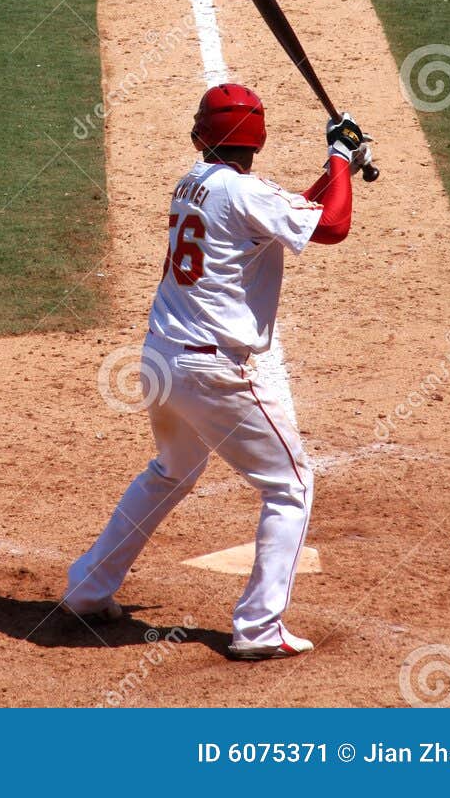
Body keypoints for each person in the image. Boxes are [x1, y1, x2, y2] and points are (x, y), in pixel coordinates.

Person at [62, 84, 373, 659]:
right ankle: (258, 630)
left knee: (172, 469)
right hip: (211, 372)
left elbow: (292, 216)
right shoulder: (244, 191)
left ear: (204, 132)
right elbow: (332, 228)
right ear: (258, 137)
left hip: (160, 358)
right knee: (291, 485)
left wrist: (339, 168)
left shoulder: (195, 182)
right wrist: (337, 156)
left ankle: (87, 587)